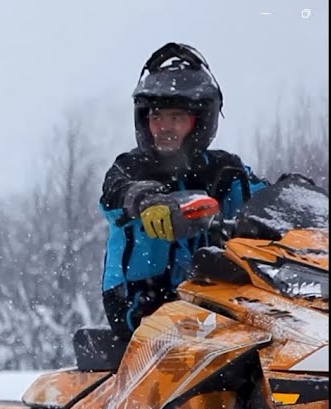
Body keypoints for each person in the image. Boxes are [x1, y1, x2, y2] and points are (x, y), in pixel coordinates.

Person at [100, 42, 268, 339]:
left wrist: (298, 199)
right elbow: (115, 191)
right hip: (141, 308)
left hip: (222, 304)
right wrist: (144, 199)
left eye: (176, 117)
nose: (164, 127)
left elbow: (264, 198)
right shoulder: (130, 168)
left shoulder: (226, 170)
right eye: (156, 117)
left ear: (199, 121)